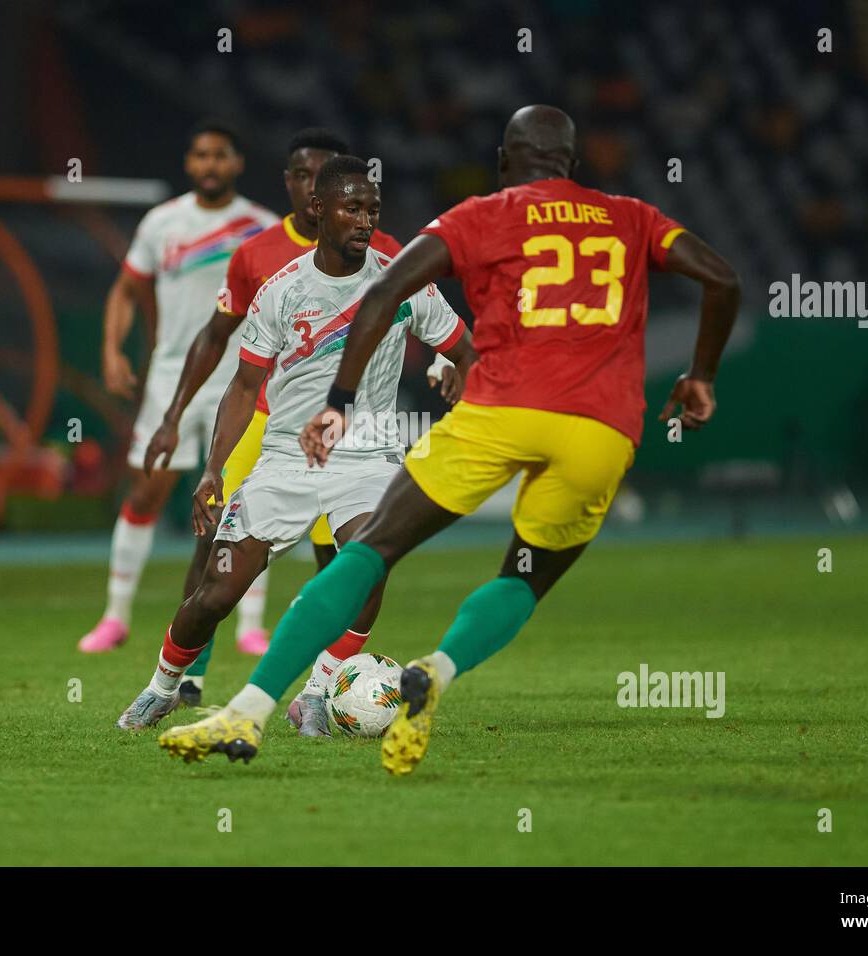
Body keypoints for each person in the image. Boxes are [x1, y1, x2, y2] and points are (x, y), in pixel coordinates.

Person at [157, 106, 740, 772]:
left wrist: (338, 403)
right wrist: (700, 376)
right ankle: (436, 669)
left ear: (505, 163)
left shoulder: (483, 214)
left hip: (502, 412)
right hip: (601, 428)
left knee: (369, 551)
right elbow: (723, 279)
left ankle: (249, 709)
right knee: (523, 576)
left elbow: (384, 292)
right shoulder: (632, 216)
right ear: (573, 164)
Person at [117, 155, 475, 738]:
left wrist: (457, 369)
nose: (365, 220)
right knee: (217, 591)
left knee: (367, 564)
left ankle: (315, 693)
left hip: (370, 454)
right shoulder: (281, 290)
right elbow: (244, 385)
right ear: (318, 209)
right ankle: (162, 687)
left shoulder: (403, 281)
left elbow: (465, 350)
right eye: (352, 208)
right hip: (286, 457)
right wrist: (213, 470)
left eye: (372, 210)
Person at [77, 119, 277, 660]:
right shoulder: (161, 223)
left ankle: (250, 625)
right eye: (201, 155)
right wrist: (111, 350)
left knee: (247, 500)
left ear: (237, 163)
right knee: (147, 491)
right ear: (189, 163)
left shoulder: (263, 228)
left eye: (220, 155)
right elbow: (125, 290)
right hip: (173, 379)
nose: (210, 164)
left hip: (243, 380)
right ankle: (115, 617)